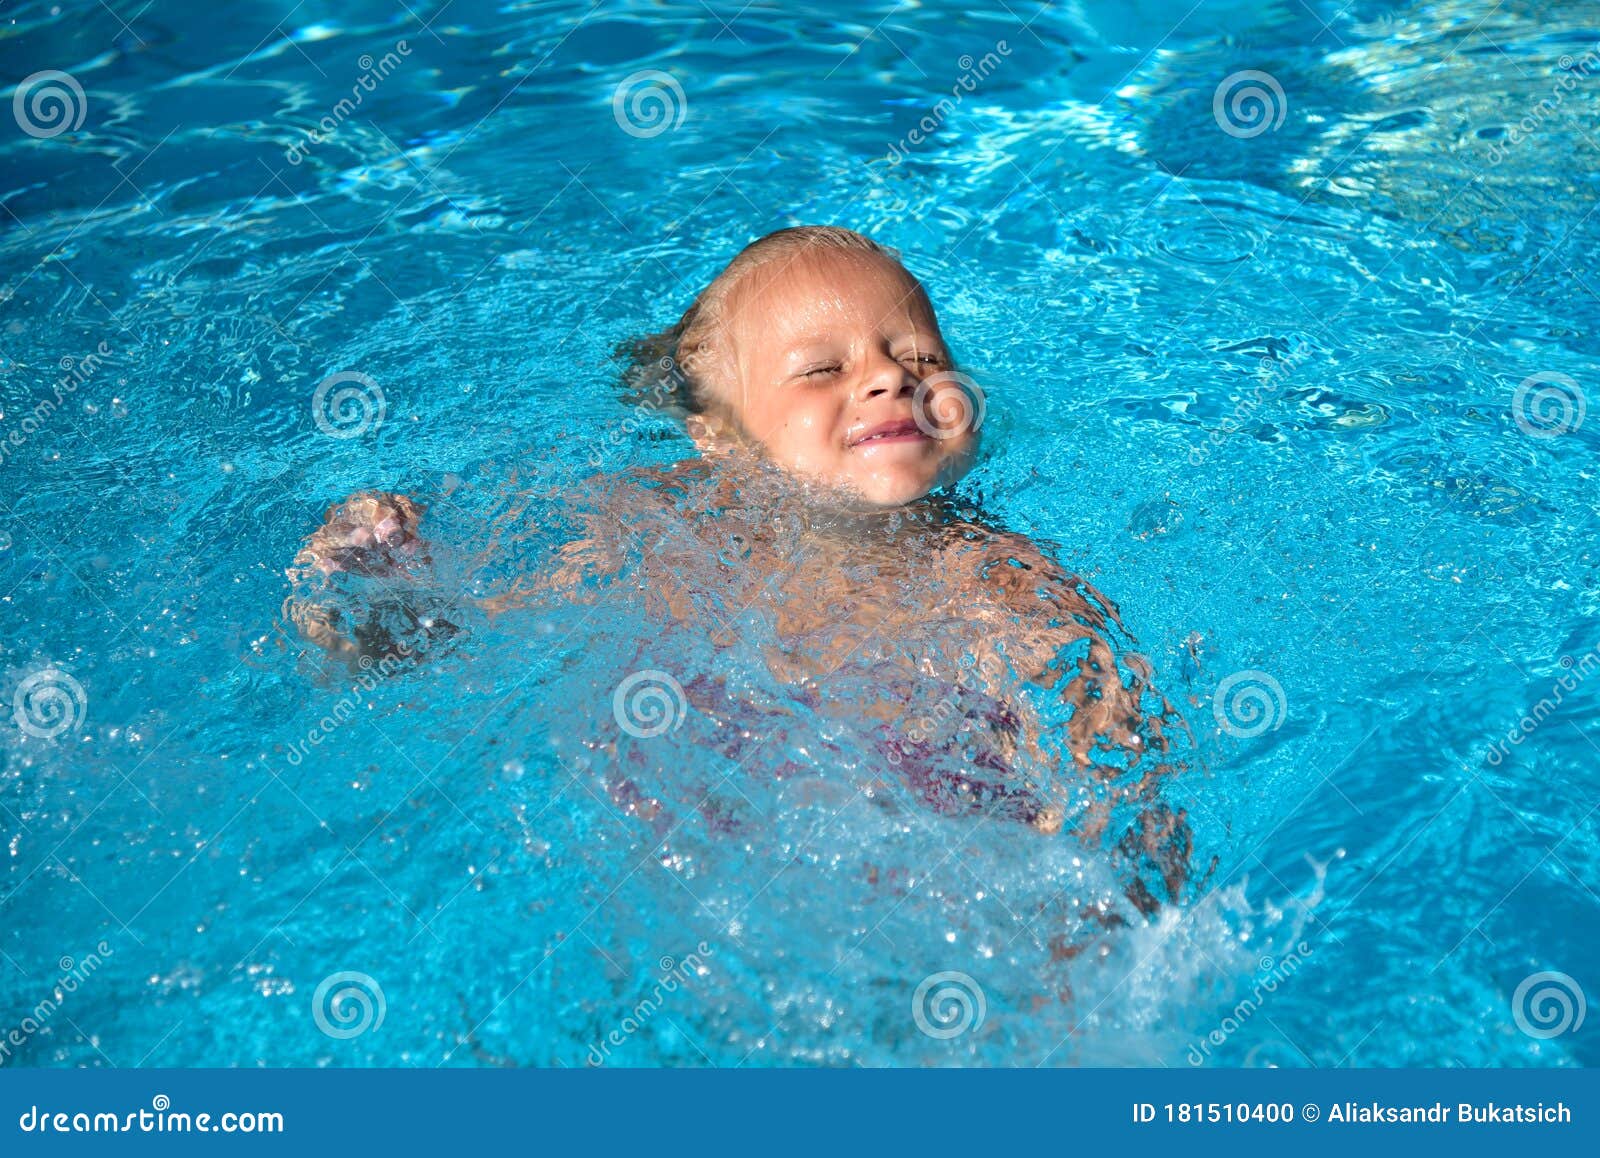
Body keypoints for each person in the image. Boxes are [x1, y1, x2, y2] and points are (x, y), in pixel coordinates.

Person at [286, 226, 1198, 912]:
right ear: (718, 438)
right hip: (679, 847)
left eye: (919, 356)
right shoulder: (654, 522)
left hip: (926, 864)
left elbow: (1118, 763)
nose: (887, 378)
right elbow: (482, 630)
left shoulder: (999, 579)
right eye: (821, 370)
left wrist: (1109, 900)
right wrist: (392, 581)